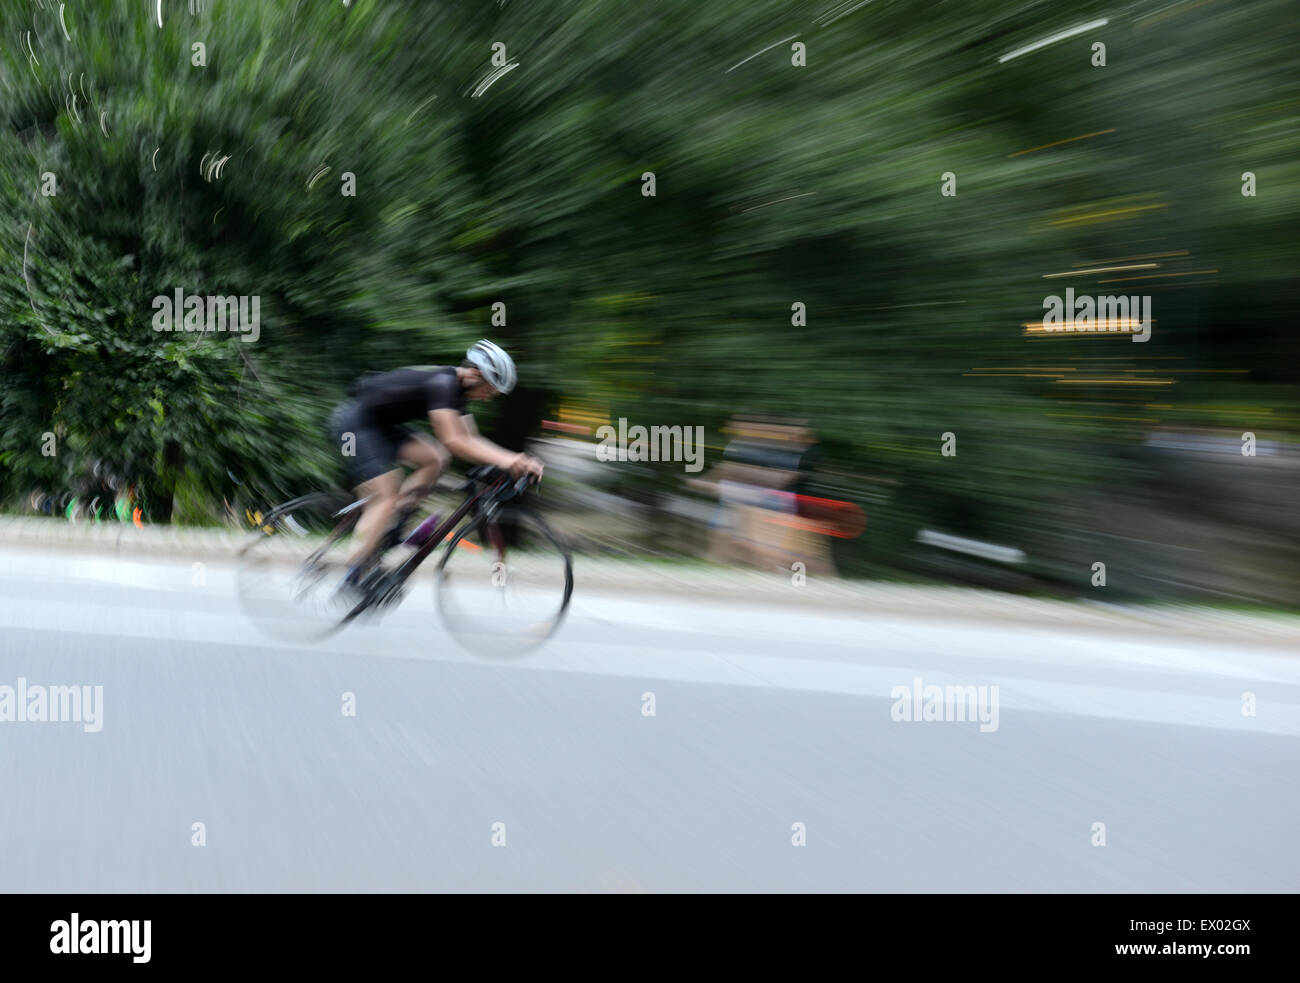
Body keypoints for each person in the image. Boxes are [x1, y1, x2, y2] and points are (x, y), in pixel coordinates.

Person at [328, 340, 544, 591]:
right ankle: (354, 573)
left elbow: (472, 439)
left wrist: (514, 459)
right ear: (475, 374)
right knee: (386, 492)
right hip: (355, 424)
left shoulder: (458, 393)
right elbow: (454, 440)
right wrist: (509, 460)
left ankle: (395, 523)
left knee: (436, 458)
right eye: (490, 389)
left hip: (381, 426)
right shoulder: (443, 384)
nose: (488, 397)